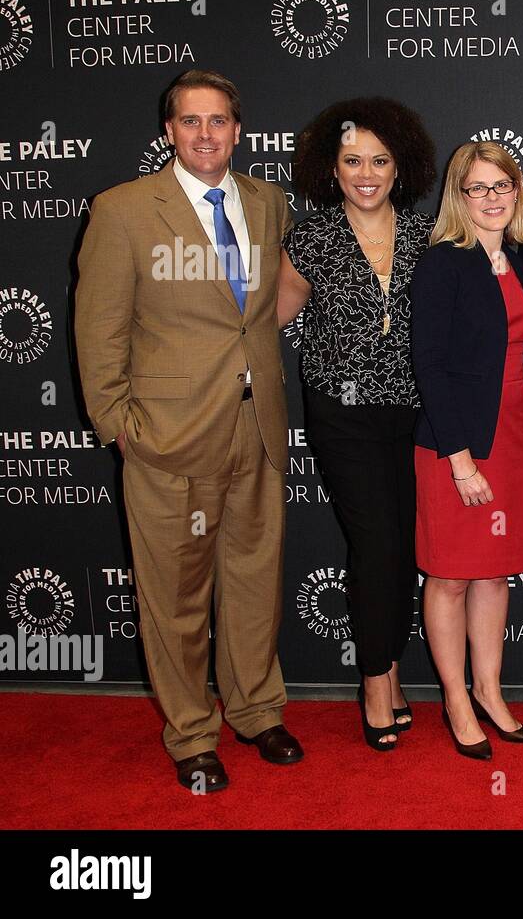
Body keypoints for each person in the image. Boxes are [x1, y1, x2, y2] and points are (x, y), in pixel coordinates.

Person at [75, 69, 301, 793]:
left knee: (254, 579)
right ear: (168, 131)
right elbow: (99, 327)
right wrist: (118, 422)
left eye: (220, 121)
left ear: (238, 130)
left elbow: (259, 307)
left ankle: (257, 708)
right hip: (168, 436)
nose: (207, 134)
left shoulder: (267, 203)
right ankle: (192, 732)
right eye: (191, 121)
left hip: (257, 426)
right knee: (174, 596)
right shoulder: (123, 210)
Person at [276, 98, 438, 751]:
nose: (366, 173)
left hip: (415, 412)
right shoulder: (310, 237)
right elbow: (272, 322)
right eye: (352, 161)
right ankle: (375, 684)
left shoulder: (428, 234)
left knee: (402, 551)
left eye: (379, 160)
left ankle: (392, 674)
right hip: (341, 414)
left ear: (400, 167)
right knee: (376, 546)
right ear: (331, 169)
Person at [411, 142, 523, 760]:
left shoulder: (520, 258)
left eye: (502, 186)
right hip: (457, 439)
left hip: (514, 434)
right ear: (457, 198)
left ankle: (490, 692)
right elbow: (429, 365)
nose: (492, 199)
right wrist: (459, 458)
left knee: (494, 571)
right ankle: (457, 701)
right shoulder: (443, 263)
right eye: (478, 188)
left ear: (516, 192)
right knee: (451, 575)